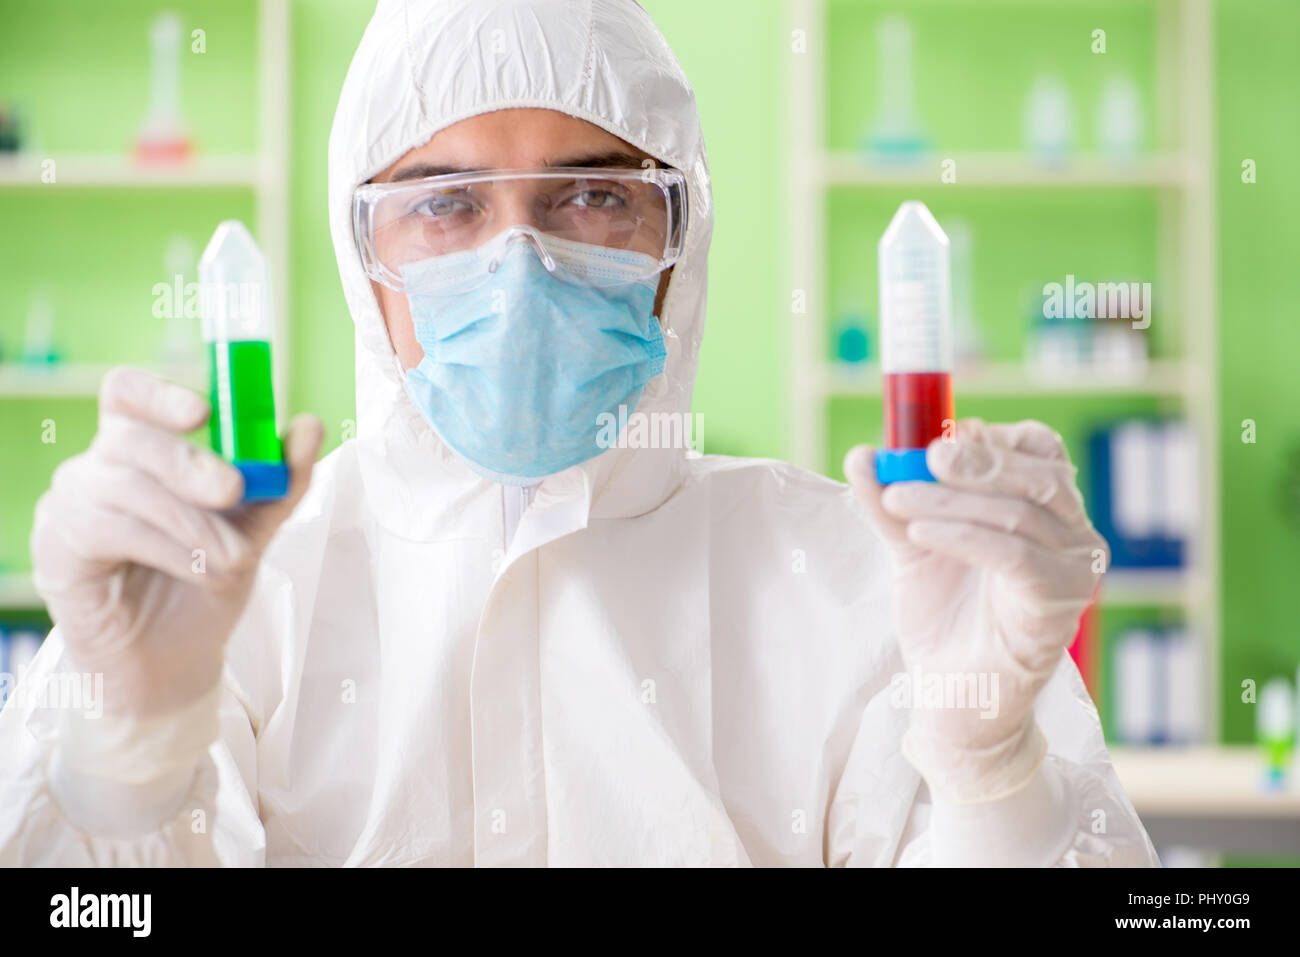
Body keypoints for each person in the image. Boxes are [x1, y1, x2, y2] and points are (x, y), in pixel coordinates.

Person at [0, 0, 1157, 867]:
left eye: (592, 196)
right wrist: (128, 745)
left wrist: (989, 765)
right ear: (367, 262)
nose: (519, 268)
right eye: (445, 203)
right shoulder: (229, 592)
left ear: (679, 235)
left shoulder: (857, 578)